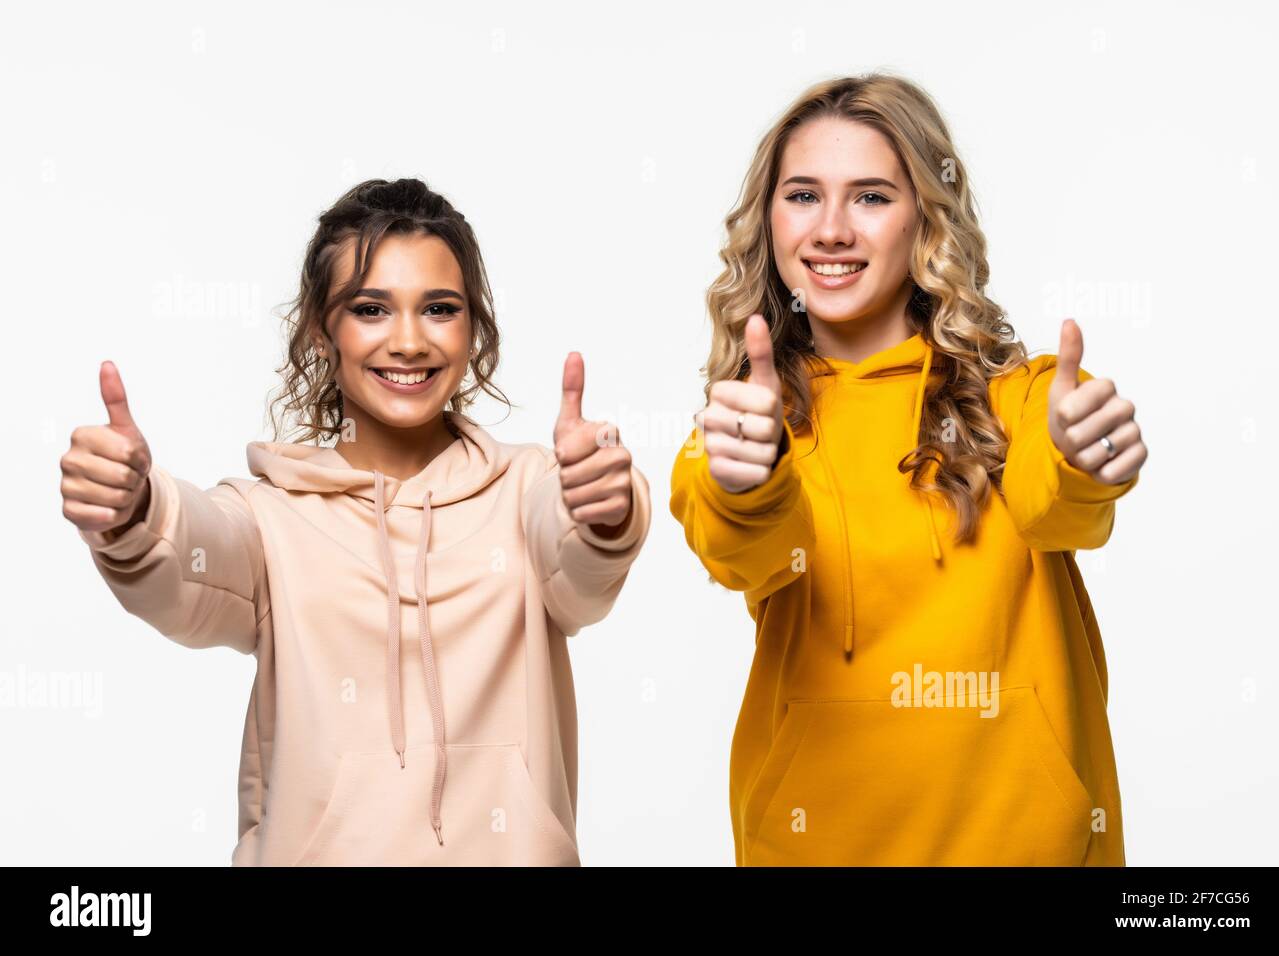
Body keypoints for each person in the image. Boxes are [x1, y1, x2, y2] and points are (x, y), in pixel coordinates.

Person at [62, 178, 652, 866]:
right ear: (323, 328)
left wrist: (603, 510)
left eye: (439, 308)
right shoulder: (269, 516)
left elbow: (578, 562)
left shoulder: (530, 489)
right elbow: (188, 556)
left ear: (473, 328)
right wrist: (135, 509)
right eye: (371, 309)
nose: (408, 341)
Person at [669, 72, 1147, 866]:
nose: (830, 230)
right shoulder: (743, 427)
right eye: (802, 196)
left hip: (1029, 847)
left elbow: (1061, 503)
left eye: (870, 197)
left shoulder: (1019, 400)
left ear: (925, 216)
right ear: (769, 220)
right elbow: (738, 548)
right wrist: (747, 479)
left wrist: (1082, 453)